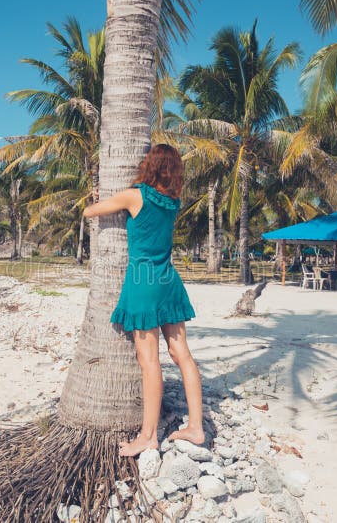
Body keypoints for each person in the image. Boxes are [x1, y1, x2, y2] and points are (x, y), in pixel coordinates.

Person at [82, 144, 204, 457]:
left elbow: (89, 212)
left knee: (149, 362)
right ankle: (196, 427)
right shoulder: (172, 201)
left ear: (149, 165)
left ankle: (148, 436)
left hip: (143, 281)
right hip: (169, 280)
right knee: (182, 355)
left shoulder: (134, 195)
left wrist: (96, 193)